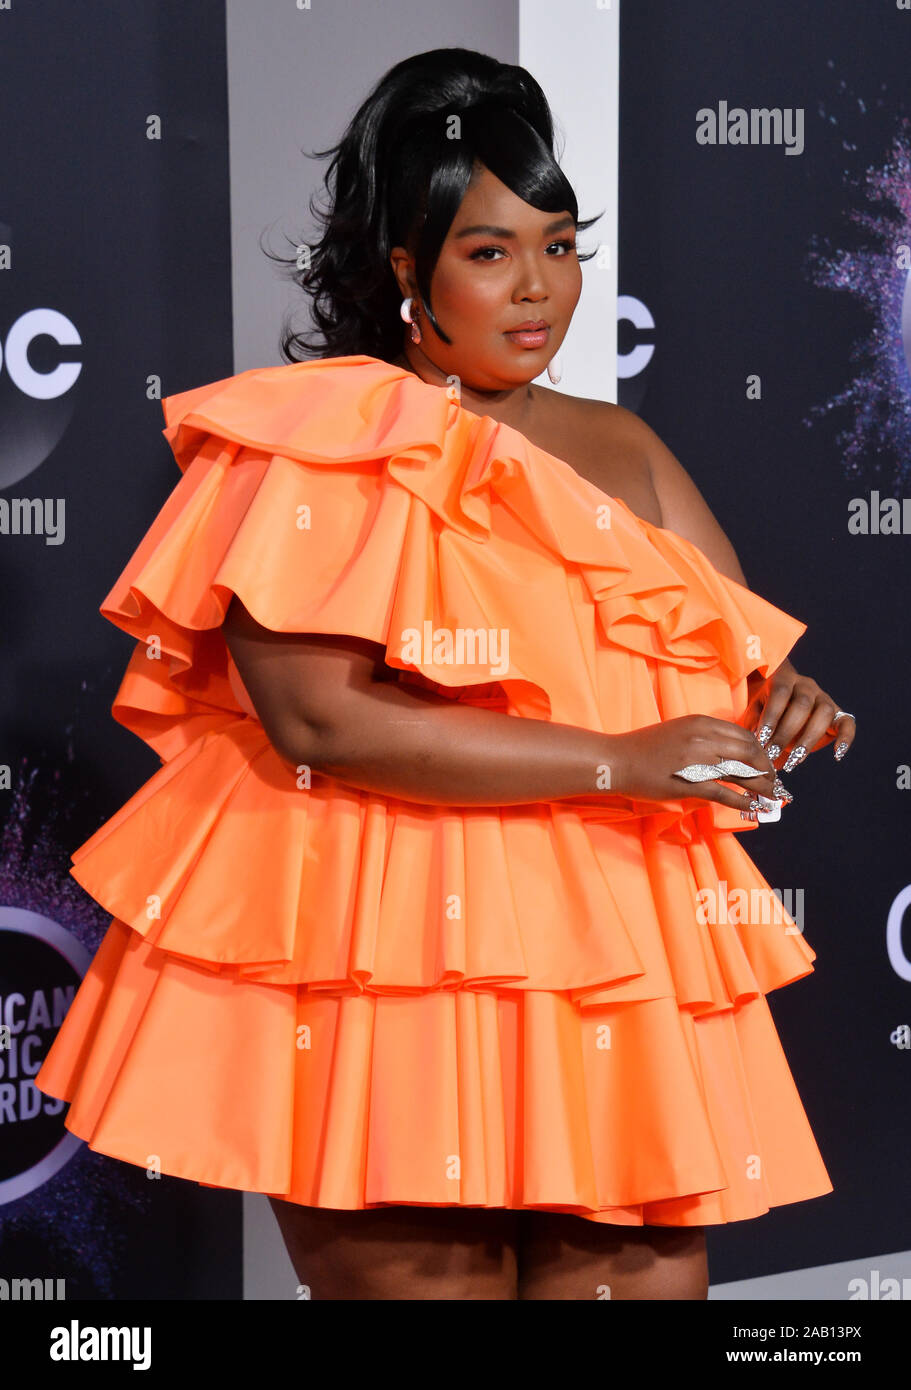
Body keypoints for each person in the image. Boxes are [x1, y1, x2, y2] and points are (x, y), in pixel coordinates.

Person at [35, 47, 854, 1301]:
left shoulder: (621, 445)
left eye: (560, 245)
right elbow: (319, 720)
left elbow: (730, 658)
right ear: (407, 271)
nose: (538, 289)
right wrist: (621, 760)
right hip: (387, 946)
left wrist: (780, 694)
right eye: (489, 252)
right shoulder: (321, 434)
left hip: (607, 949)